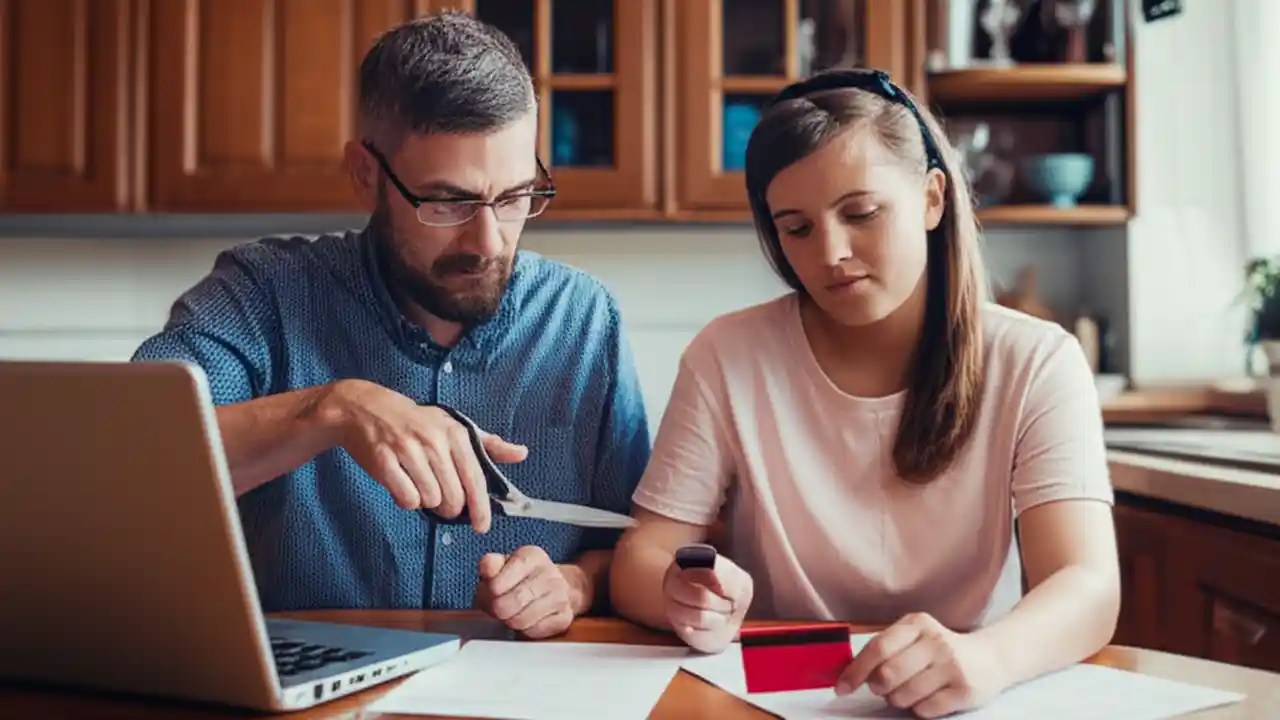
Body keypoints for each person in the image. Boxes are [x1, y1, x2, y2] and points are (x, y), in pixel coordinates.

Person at [610, 69, 1119, 718]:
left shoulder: (1038, 360)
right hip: (776, 691)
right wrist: (678, 592)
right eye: (796, 228)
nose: (832, 253)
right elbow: (641, 558)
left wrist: (990, 659)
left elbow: (1088, 585)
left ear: (933, 198)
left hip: (970, 689)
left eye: (862, 213)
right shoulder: (727, 356)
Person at [132, 12, 650, 640]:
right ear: (365, 174)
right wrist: (331, 410)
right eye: (448, 202)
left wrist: (574, 585)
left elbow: (632, 540)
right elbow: (134, 460)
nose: (488, 242)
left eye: (515, 198)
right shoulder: (263, 293)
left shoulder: (585, 318)